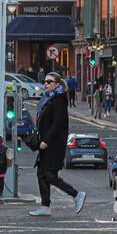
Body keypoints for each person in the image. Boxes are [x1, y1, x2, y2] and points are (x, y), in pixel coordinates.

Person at [29, 72, 85, 217]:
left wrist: (46, 141)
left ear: (57, 84)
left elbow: (56, 124)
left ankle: (77, 195)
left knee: (48, 174)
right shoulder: (49, 99)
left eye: (49, 81)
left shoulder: (59, 101)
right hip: (47, 143)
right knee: (41, 173)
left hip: (53, 145)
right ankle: (45, 206)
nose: (45, 84)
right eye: (44, 81)